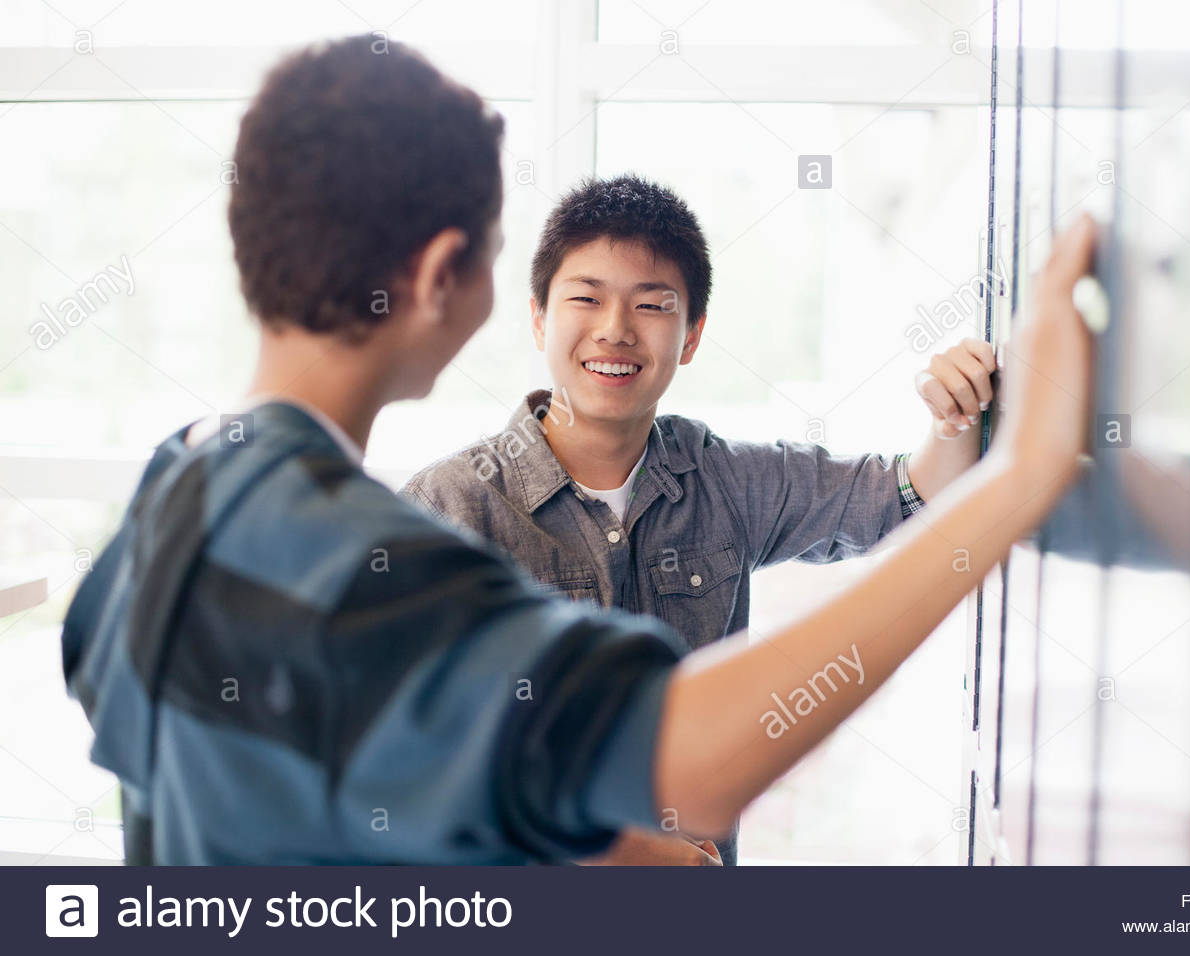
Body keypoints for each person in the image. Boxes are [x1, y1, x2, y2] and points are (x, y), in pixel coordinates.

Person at [61, 34, 1097, 866]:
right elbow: (683, 761)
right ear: (441, 279)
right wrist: (1024, 475)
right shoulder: (387, 555)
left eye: (648, 305)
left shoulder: (176, 484)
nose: (611, 327)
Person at [402, 175, 1004, 865]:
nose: (615, 330)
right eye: (586, 298)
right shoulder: (449, 507)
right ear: (539, 318)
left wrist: (955, 412)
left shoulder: (720, 478)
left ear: (690, 337)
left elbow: (907, 499)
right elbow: (418, 766)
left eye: (652, 304)